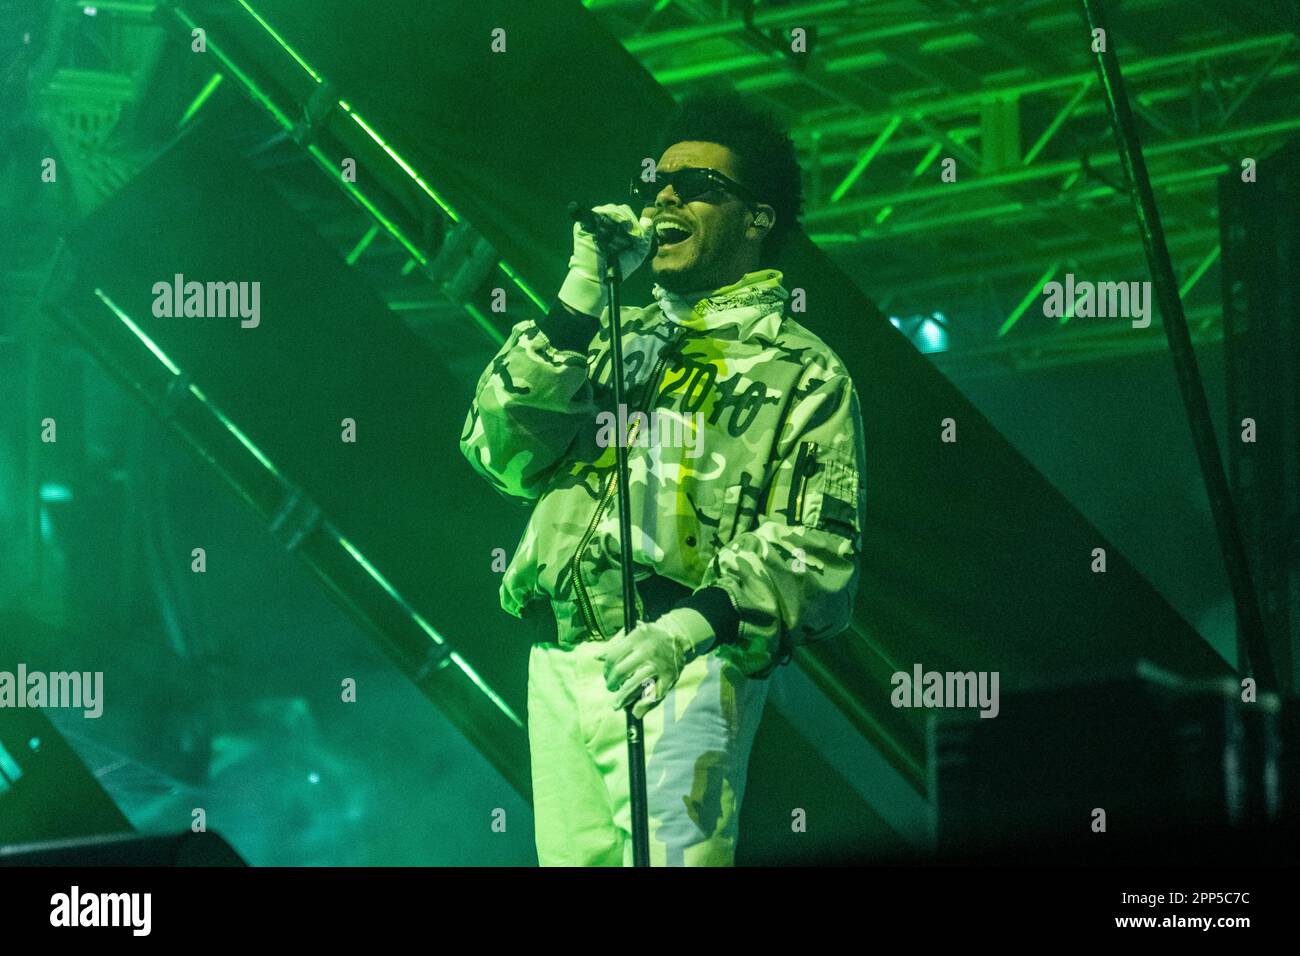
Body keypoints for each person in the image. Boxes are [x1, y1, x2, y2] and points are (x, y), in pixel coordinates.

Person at [459, 91, 867, 866]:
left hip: (679, 663)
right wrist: (581, 291)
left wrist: (685, 631)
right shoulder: (611, 335)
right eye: (661, 184)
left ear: (758, 218)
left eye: (702, 186)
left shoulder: (801, 369)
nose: (667, 196)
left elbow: (820, 550)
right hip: (561, 661)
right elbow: (496, 448)